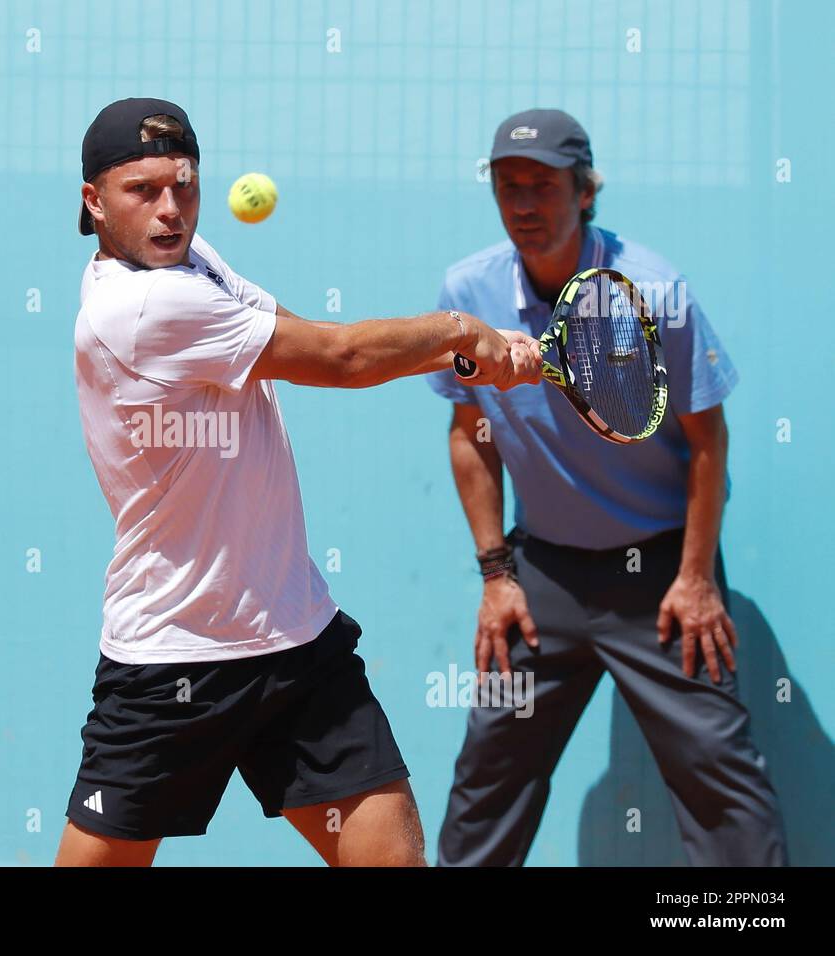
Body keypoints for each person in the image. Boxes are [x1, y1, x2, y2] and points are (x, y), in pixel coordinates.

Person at [56, 97, 540, 866]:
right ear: (94, 201)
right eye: (142, 191)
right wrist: (462, 331)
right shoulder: (143, 304)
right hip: (174, 653)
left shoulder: (191, 260)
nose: (170, 208)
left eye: (184, 185)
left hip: (295, 636)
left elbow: (298, 335)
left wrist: (470, 352)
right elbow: (340, 359)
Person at [427, 108, 788, 865]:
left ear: (586, 192)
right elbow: (470, 434)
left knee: (721, 781)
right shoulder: (467, 290)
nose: (523, 204)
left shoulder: (656, 292)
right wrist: (496, 575)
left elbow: (707, 443)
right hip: (541, 577)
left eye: (543, 185)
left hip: (661, 580)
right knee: (489, 776)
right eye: (508, 186)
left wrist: (696, 579)